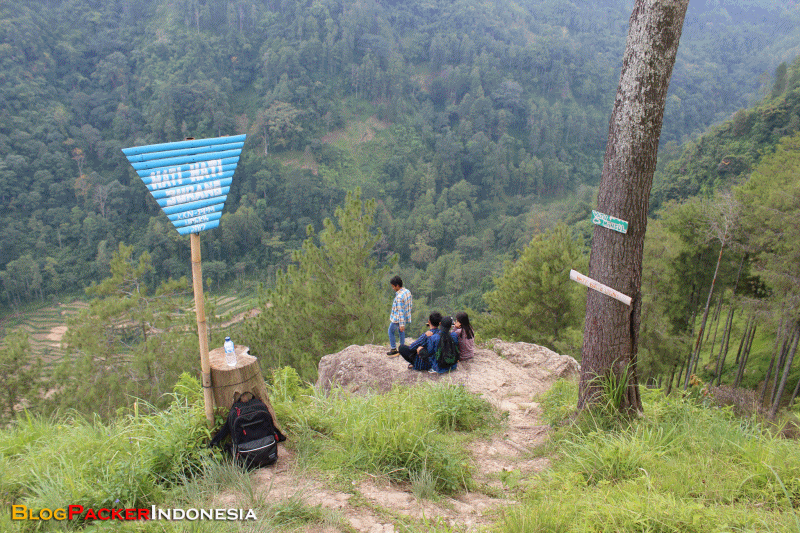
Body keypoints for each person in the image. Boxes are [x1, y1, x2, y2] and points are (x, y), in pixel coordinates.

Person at [387, 275, 412, 356]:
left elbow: (400, 311)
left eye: (393, 286)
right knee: (401, 331)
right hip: (404, 317)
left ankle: (394, 349)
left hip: (398, 318)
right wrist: (404, 321)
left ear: (397, 285)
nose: (393, 288)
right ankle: (402, 348)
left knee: (390, 331)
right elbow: (409, 305)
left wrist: (401, 324)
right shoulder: (407, 292)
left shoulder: (399, 297)